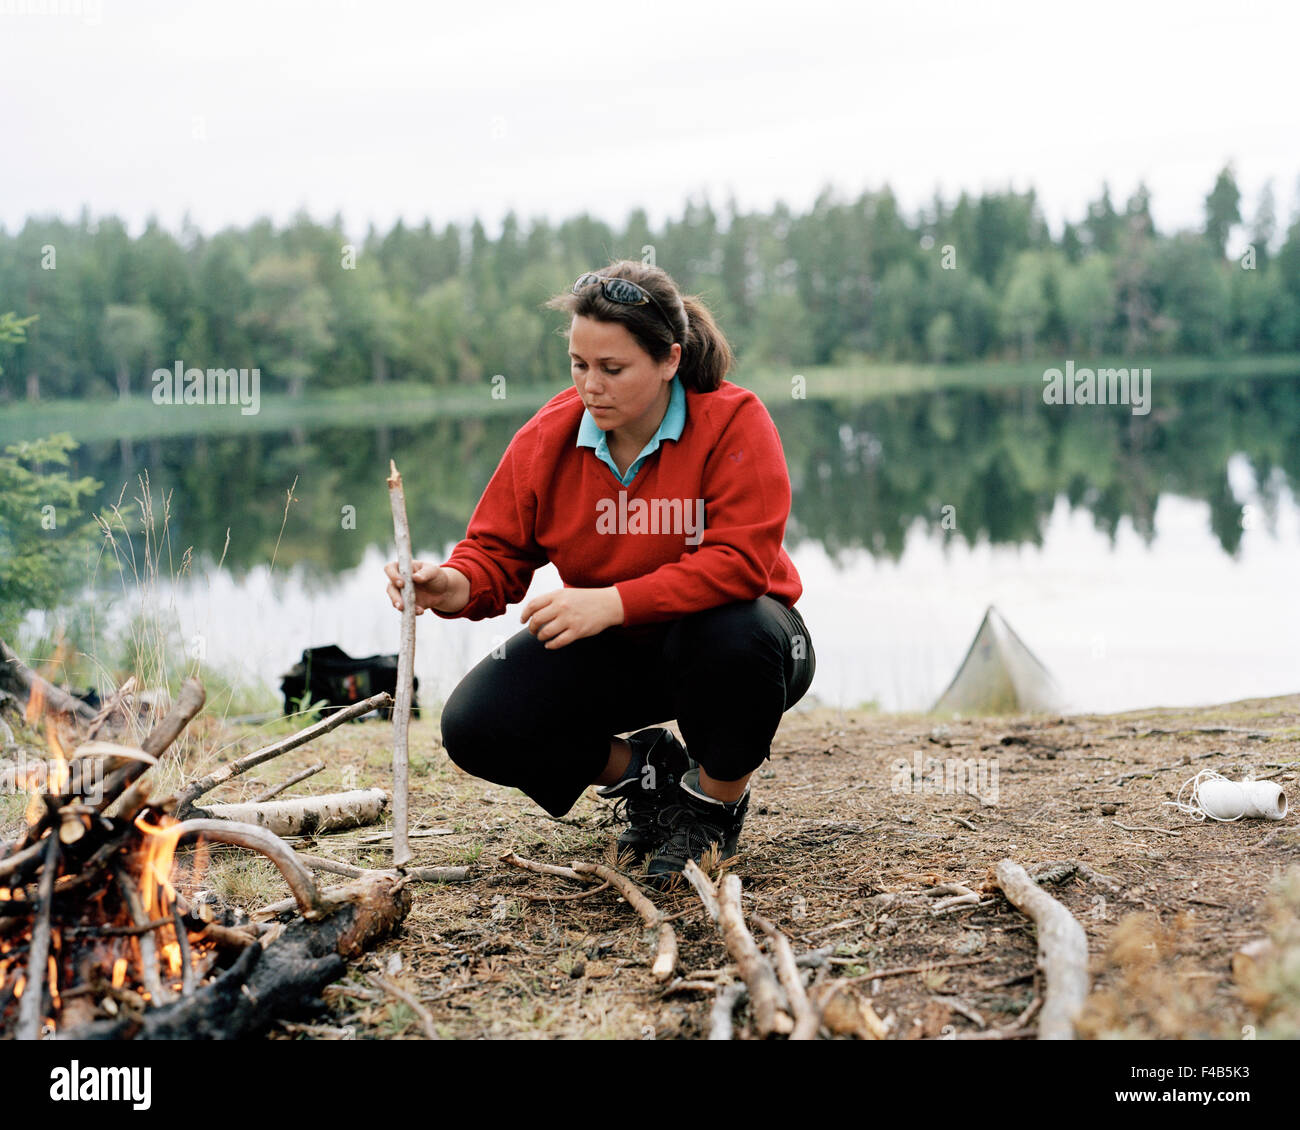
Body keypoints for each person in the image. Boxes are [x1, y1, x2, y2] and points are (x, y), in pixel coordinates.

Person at [384, 260, 815, 885]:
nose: (591, 386)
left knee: (730, 632)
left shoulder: (733, 420)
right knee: (477, 725)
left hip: (751, 647)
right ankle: (648, 773)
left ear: (669, 359)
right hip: (623, 649)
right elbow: (495, 556)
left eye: (613, 369)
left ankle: (712, 807)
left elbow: (740, 564)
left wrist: (612, 601)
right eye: (579, 365)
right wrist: (447, 585)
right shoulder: (547, 439)